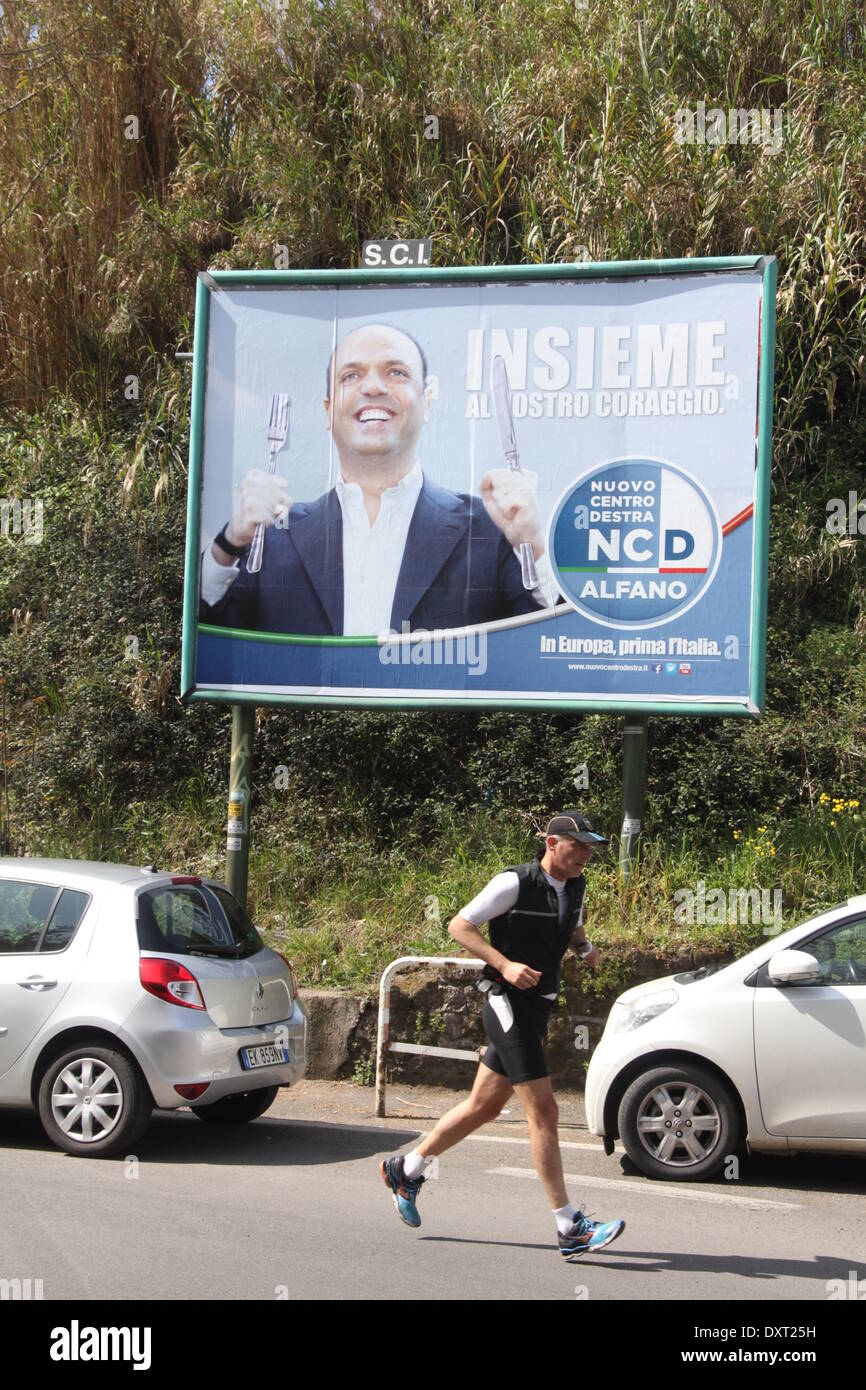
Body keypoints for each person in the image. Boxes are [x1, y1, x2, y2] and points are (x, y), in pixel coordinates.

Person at [199, 322, 555, 635]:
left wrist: (535, 547)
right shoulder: (272, 536)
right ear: (328, 411)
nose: (372, 387)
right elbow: (212, 643)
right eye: (350, 376)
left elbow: (551, 648)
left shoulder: (489, 530)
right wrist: (228, 545)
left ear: (427, 401)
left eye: (396, 372)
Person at [380, 811, 626, 1261]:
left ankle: (406, 1169)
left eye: (591, 849)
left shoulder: (576, 885)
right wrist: (504, 963)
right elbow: (459, 925)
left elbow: (572, 927)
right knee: (545, 1112)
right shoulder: (514, 882)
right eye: (579, 846)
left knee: (484, 1106)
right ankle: (569, 1226)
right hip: (506, 1003)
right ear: (552, 843)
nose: (586, 855)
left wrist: (585, 948)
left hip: (538, 1007)